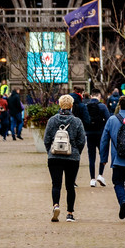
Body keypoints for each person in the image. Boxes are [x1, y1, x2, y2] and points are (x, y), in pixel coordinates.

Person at [43, 94, 87, 222]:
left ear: (59, 105)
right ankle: (70, 213)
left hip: (54, 157)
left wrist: (50, 152)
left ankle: (56, 205)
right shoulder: (77, 121)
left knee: (56, 184)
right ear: (72, 106)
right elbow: (81, 141)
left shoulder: (52, 120)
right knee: (70, 186)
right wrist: (76, 152)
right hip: (72, 157)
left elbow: (46, 139)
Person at [83, 91, 110, 187]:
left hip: (89, 134)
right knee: (102, 154)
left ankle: (92, 179)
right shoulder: (102, 106)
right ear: (99, 96)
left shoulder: (86, 106)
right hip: (101, 134)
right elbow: (108, 120)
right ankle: (100, 174)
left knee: (91, 157)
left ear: (91, 96)